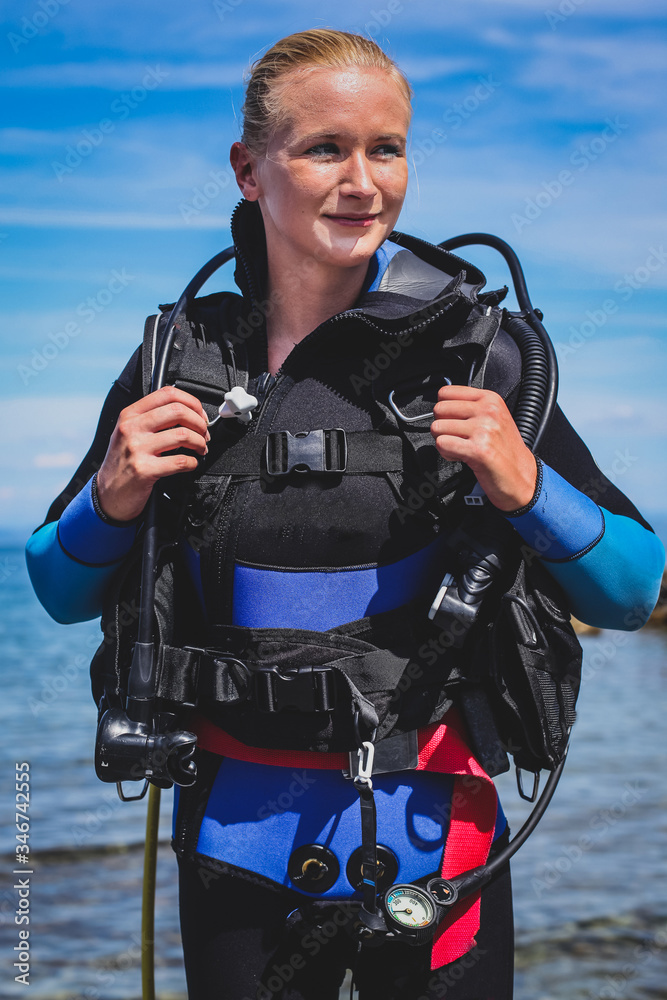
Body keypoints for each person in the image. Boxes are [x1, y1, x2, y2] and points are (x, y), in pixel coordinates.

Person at [26, 28, 664, 1000]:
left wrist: (528, 486)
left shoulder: (480, 354)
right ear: (249, 170)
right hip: (236, 842)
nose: (362, 182)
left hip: (434, 841)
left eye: (386, 148)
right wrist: (110, 500)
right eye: (325, 148)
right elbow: (57, 589)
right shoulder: (177, 360)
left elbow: (631, 590)